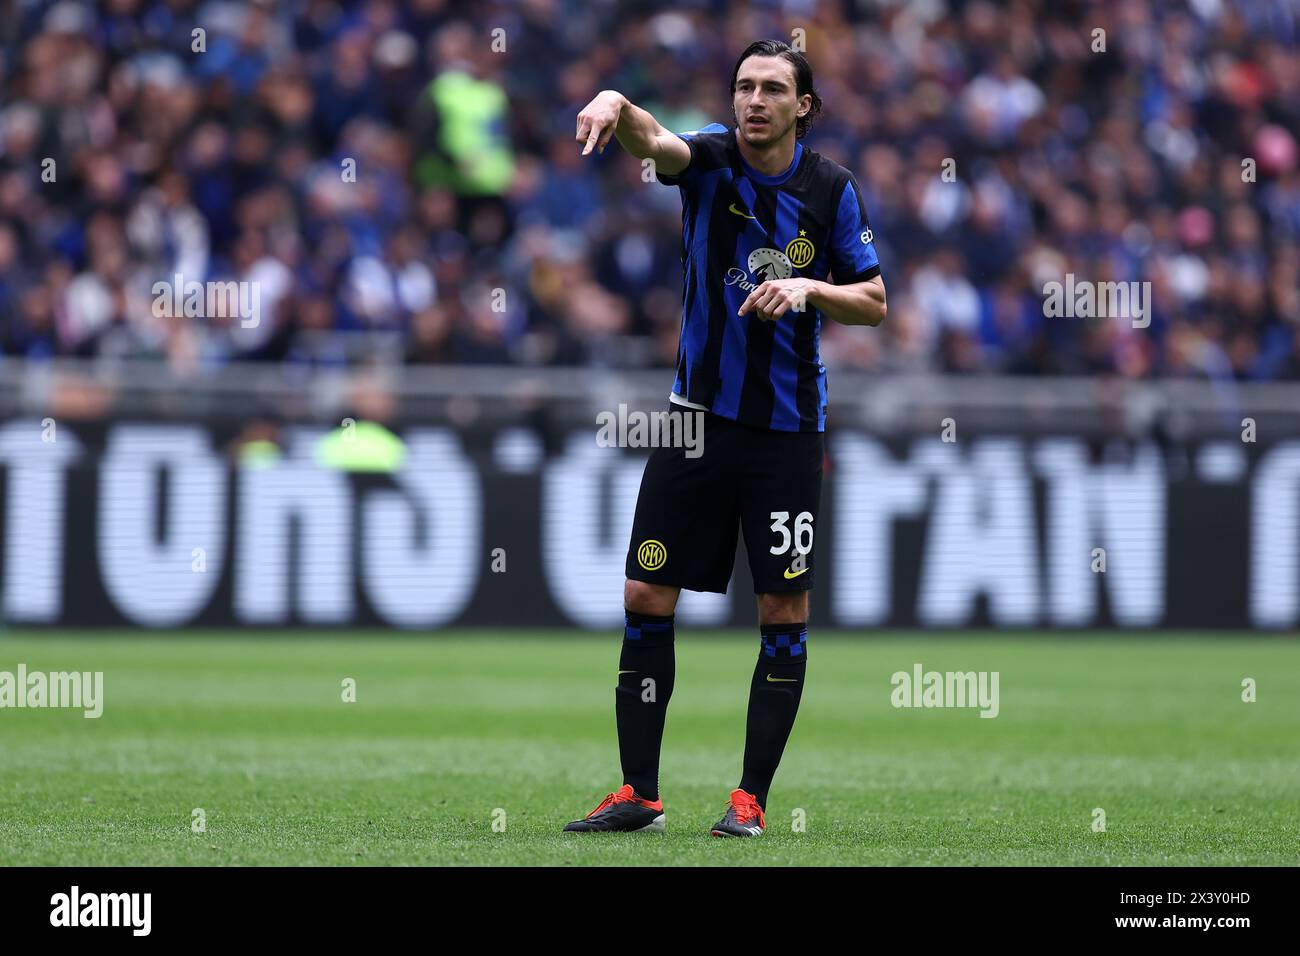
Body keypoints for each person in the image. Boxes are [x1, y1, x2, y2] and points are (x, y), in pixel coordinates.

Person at [565, 39, 887, 838]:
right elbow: (655, 141)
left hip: (785, 432)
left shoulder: (830, 189)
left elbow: (875, 301)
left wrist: (811, 287)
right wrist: (616, 101)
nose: (754, 100)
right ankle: (638, 790)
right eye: (744, 85)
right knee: (645, 592)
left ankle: (750, 800)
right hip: (695, 421)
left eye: (773, 88)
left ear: (802, 106)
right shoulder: (709, 160)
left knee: (781, 605)